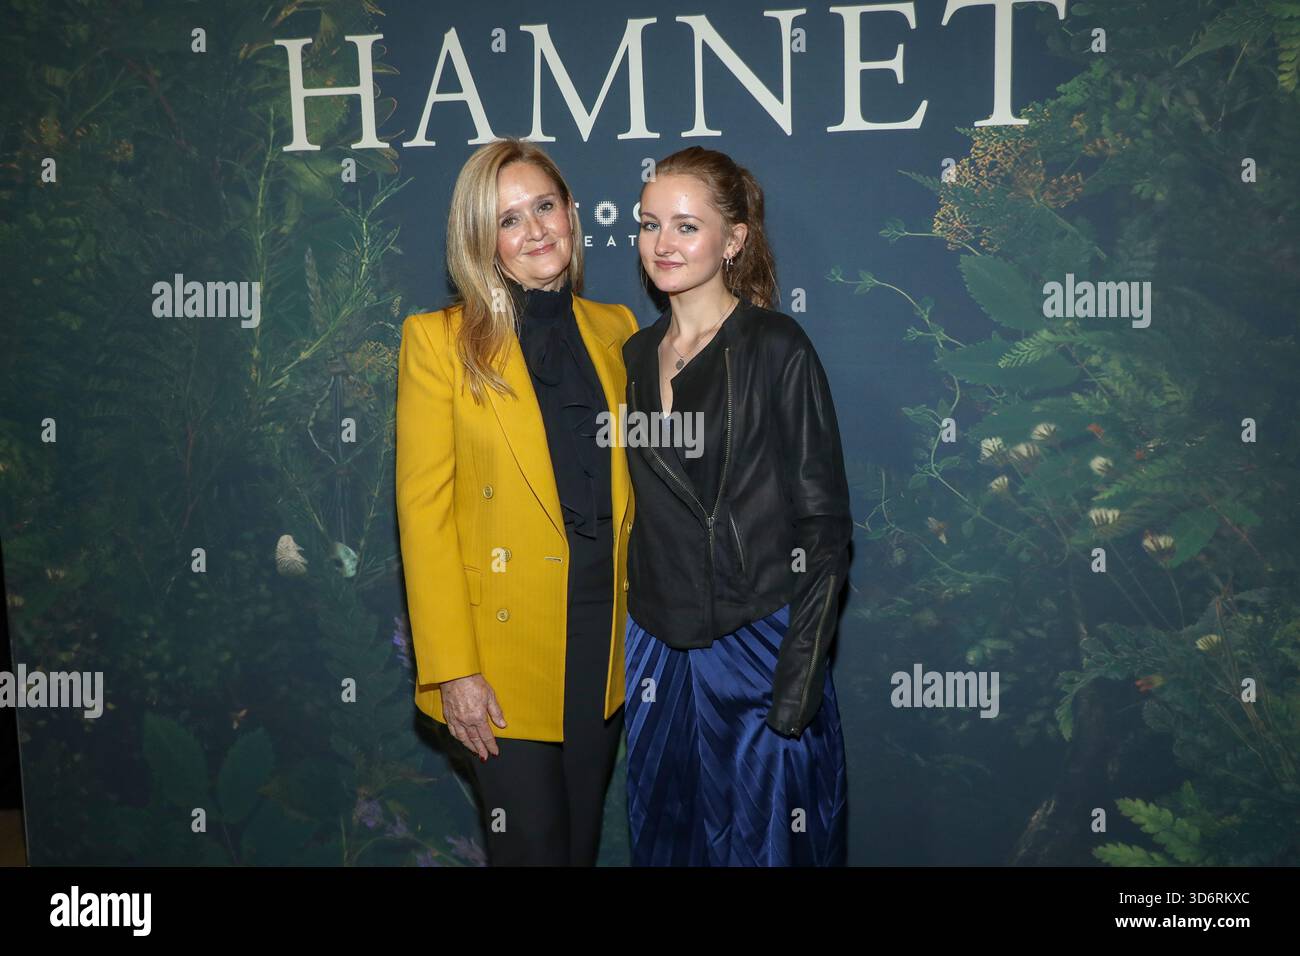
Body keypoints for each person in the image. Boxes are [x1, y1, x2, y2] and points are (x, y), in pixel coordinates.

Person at [396, 137, 639, 865]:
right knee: (531, 848)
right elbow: (423, 514)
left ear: (570, 212)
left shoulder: (618, 328)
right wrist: (452, 671)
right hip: (498, 654)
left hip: (605, 641)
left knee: (578, 845)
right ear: (482, 240)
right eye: (509, 219)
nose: (535, 230)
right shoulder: (438, 343)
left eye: (544, 206)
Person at [621, 146, 851, 866]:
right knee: (669, 840)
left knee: (765, 846)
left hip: (756, 640)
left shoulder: (776, 346)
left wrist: (798, 677)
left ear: (735, 239)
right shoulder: (632, 353)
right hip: (657, 644)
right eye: (650, 224)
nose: (664, 243)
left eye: (687, 226)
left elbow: (824, 527)